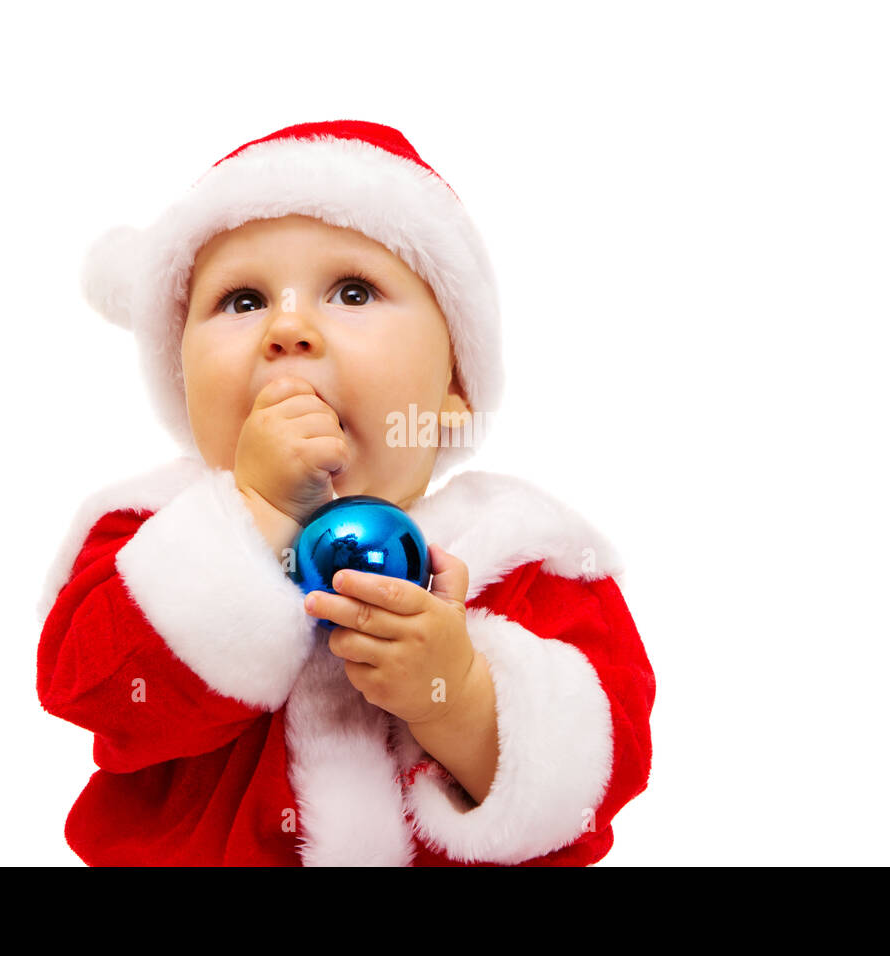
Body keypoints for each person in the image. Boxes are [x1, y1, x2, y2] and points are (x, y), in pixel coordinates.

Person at [36, 119, 656, 865]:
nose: (288, 328)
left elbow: (601, 769)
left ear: (455, 388)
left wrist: (456, 696)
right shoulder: (145, 540)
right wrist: (254, 516)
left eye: (354, 291)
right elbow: (96, 690)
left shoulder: (524, 555)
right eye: (241, 301)